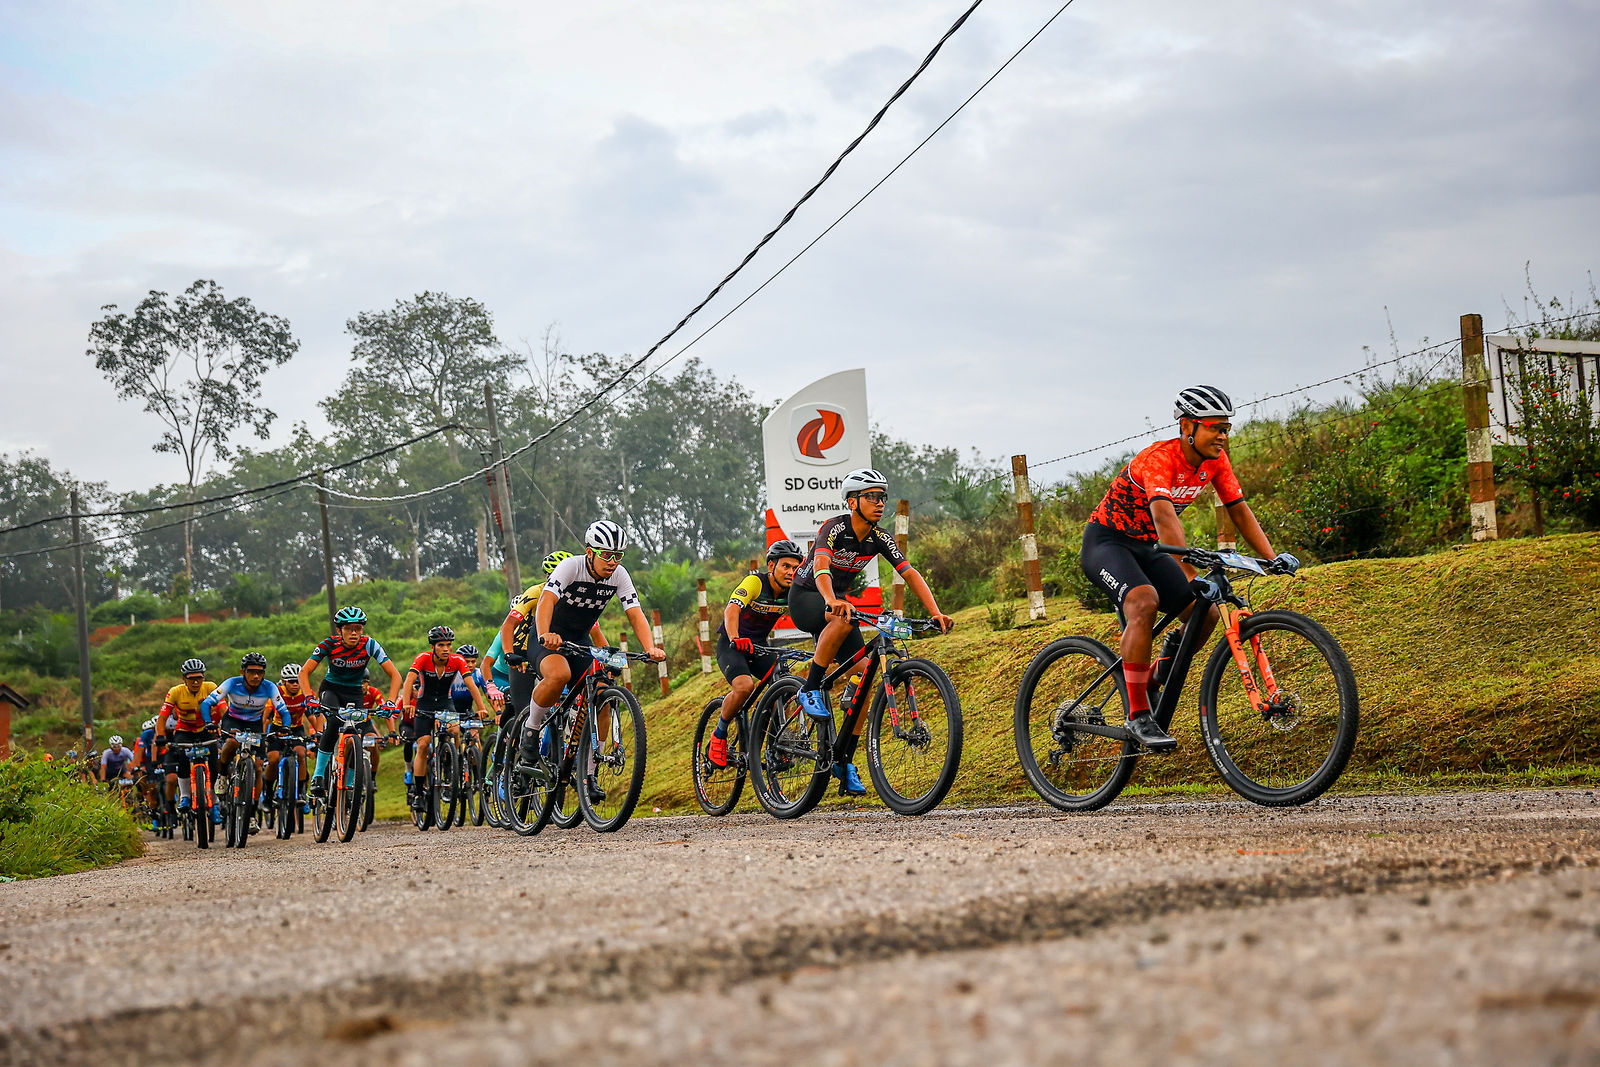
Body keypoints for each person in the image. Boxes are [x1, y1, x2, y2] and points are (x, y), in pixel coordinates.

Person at [1080, 385, 1299, 752]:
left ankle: (1154, 675)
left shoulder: (1215, 461)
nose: (1223, 436)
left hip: (1150, 547)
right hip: (1108, 543)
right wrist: (1189, 574)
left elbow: (1239, 510)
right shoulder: (1158, 459)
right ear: (1187, 427)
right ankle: (1137, 716)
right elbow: (1164, 515)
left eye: (1226, 428)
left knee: (1206, 612)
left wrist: (1271, 557)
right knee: (1144, 601)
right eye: (1215, 427)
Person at [787, 469, 953, 796]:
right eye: (871, 497)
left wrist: (935, 612)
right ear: (852, 501)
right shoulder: (834, 528)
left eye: (882, 497)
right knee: (842, 620)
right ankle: (809, 689)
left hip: (837, 604)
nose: (879, 503)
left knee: (865, 677)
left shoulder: (879, 537)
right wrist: (831, 598)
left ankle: (843, 760)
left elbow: (910, 573)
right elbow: (821, 567)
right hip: (808, 597)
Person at [511, 521, 665, 803]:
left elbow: (634, 612)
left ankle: (589, 774)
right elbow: (545, 602)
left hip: (580, 639)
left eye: (618, 556)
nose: (612, 562)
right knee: (558, 675)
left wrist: (650, 648)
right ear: (590, 552)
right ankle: (531, 730)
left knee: (603, 692)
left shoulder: (619, 575)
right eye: (606, 555)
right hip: (548, 635)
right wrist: (546, 634)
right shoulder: (571, 567)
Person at [704, 540, 804, 769]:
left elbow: (812, 613)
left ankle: (776, 739)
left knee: (785, 685)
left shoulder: (793, 591)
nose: (791, 572)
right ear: (771, 566)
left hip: (760, 646)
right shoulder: (755, 583)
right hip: (732, 643)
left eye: (795, 567)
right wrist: (735, 638)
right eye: (785, 566)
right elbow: (732, 609)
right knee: (744, 687)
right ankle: (718, 735)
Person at [300, 606, 403, 800]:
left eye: (358, 628)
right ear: (339, 630)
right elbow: (304, 672)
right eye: (349, 628)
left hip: (354, 693)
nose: (354, 633)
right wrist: (309, 697)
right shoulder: (329, 644)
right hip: (331, 689)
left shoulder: (370, 644)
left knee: (359, 735)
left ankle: (349, 785)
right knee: (333, 724)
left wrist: (390, 702)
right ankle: (318, 775)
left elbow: (395, 675)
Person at [400, 626, 487, 811]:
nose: (446, 648)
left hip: (445, 703)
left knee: (454, 730)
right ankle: (418, 792)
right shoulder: (423, 659)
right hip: (425, 703)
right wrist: (407, 703)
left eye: (448, 644)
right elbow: (409, 680)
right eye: (441, 645)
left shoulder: (457, 660)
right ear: (433, 646)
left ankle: (450, 767)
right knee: (422, 745)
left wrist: (481, 707)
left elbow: (470, 683)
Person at [200, 653, 293, 814]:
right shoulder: (231, 683)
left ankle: (252, 810)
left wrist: (285, 726)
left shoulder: (270, 687)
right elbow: (207, 703)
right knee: (232, 743)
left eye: (260, 672)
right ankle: (222, 775)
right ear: (242, 671)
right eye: (251, 671)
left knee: (257, 767)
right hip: (233, 721)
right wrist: (209, 723)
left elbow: (284, 711)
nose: (256, 676)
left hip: (255, 724)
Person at [156, 658, 218, 821]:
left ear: (204, 677)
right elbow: (162, 718)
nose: (196, 682)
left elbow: (223, 709)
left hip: (206, 729)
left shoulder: (211, 687)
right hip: (184, 730)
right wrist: (161, 736)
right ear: (184, 679)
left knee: (214, 761)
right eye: (191, 678)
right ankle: (185, 796)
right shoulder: (175, 692)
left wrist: (224, 728)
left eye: (199, 678)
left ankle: (215, 800)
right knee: (182, 757)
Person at [266, 665, 311, 815]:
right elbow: (266, 717)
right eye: (291, 681)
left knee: (301, 754)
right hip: (277, 729)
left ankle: (301, 792)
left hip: (296, 728)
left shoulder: (304, 693)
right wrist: (262, 734)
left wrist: (318, 732)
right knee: (273, 759)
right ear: (284, 682)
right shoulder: (276, 693)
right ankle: (268, 793)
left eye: (297, 681)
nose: (295, 684)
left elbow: (311, 716)